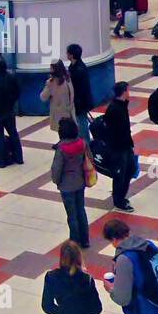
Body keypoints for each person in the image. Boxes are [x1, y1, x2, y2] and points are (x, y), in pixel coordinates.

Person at [101, 218, 158, 314]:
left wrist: (111, 289)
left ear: (113, 239)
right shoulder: (148, 244)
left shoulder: (124, 259)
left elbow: (122, 299)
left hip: (146, 312)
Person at [51, 118, 90, 248]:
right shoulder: (82, 143)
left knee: (71, 215)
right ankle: (85, 239)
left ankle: (74, 240)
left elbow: (57, 168)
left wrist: (56, 181)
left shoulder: (62, 148)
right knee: (81, 210)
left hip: (66, 185)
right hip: (80, 181)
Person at [41, 241, 102, 314]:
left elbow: (47, 306)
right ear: (79, 257)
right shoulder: (86, 279)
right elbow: (97, 308)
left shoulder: (52, 277)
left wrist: (63, 313)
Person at [104, 81, 136, 213]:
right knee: (120, 174)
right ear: (123, 93)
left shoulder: (121, 106)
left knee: (129, 170)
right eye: (128, 91)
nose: (129, 93)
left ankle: (121, 196)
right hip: (118, 148)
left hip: (125, 146)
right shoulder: (115, 109)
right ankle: (118, 200)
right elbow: (119, 131)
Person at [66, 44, 93, 142]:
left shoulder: (79, 69)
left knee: (82, 125)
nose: (66, 54)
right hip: (78, 101)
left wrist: (76, 101)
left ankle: (86, 147)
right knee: (79, 123)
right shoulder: (73, 66)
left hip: (80, 103)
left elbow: (81, 89)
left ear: (71, 55)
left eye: (68, 53)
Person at [40, 60, 76, 133]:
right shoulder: (68, 78)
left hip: (59, 113)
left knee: (63, 134)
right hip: (70, 110)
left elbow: (43, 97)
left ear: (53, 69)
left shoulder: (51, 82)